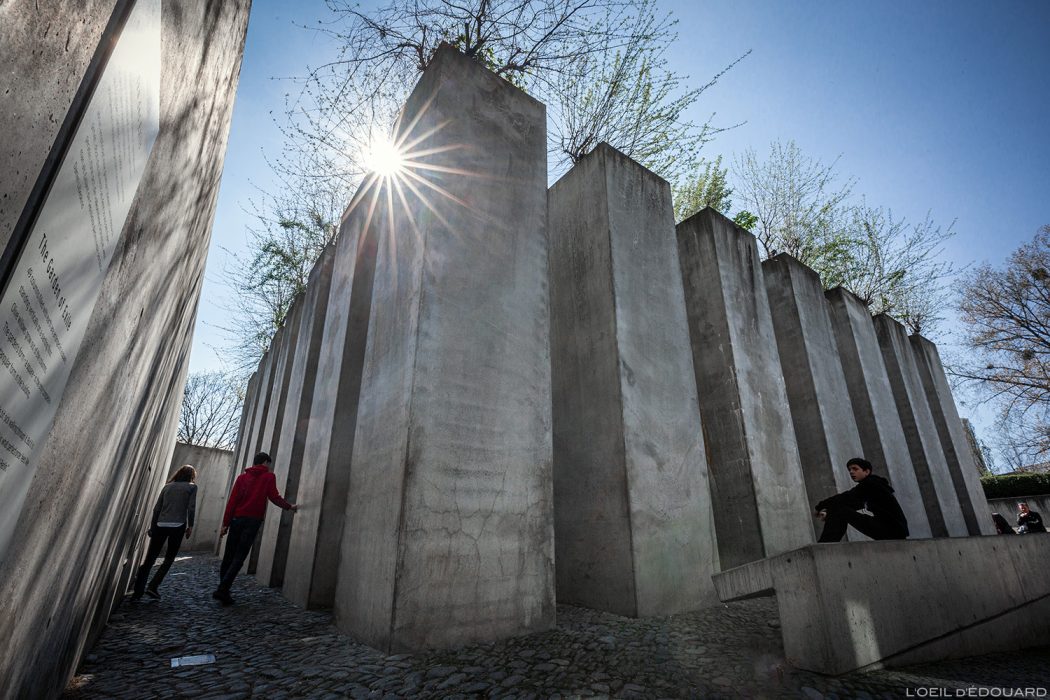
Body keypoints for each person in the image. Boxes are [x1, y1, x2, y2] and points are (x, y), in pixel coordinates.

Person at [213, 451, 297, 604]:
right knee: (240, 556)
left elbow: (232, 502)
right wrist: (289, 507)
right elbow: (274, 496)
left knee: (229, 555)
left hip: (236, 519)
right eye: (269, 463)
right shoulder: (268, 477)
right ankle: (223, 588)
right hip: (253, 521)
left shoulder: (242, 478)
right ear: (265, 462)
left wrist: (225, 524)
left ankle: (223, 588)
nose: (269, 467)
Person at [130, 464, 197, 600]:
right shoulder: (192, 487)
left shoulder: (167, 487)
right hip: (178, 525)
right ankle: (153, 586)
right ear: (192, 476)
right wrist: (191, 525)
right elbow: (191, 507)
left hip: (161, 524)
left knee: (150, 559)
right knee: (169, 558)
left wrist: (153, 527)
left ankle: (138, 591)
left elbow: (156, 509)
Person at [814, 457, 909, 542]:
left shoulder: (871, 483)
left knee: (840, 509)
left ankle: (825, 544)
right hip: (892, 531)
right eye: (849, 470)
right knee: (840, 509)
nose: (851, 472)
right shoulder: (872, 486)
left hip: (890, 530)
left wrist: (821, 506)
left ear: (866, 472)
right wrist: (829, 512)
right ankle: (826, 544)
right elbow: (852, 505)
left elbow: (845, 498)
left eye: (855, 469)